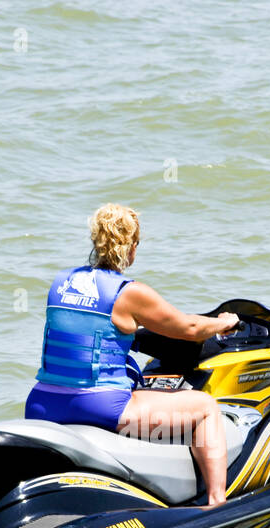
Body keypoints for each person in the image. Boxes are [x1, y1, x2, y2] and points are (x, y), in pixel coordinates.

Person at [25, 204, 239, 506]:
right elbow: (189, 328)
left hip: (42, 404)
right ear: (132, 247)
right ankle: (217, 503)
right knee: (205, 408)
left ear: (95, 240)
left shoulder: (61, 283)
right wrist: (223, 322)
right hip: (98, 407)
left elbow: (88, 327)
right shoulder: (128, 292)